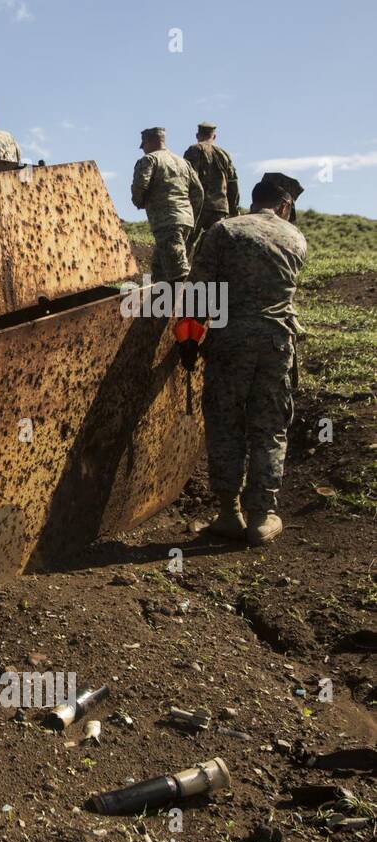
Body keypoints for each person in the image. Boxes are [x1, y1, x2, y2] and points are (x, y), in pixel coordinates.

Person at [189, 173, 307, 545]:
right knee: (269, 427)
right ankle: (262, 517)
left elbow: (199, 294)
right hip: (276, 344)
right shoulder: (295, 237)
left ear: (254, 200)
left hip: (229, 341)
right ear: (285, 205)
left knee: (225, 422)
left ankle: (229, 513)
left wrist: (189, 342)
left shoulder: (224, 231)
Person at [132, 127, 204, 282]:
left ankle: (194, 303)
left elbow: (141, 185)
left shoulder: (149, 160)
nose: (143, 149)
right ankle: (162, 304)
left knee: (179, 272)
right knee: (160, 271)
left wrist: (138, 201)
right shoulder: (183, 162)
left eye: (143, 145)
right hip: (184, 220)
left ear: (150, 142)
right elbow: (198, 192)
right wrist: (190, 216)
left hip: (166, 222)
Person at [184, 122, 240, 253]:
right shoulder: (224, 154)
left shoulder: (193, 150)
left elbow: (186, 179)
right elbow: (233, 184)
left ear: (197, 135)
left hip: (197, 207)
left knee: (186, 243)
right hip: (219, 208)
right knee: (217, 247)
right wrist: (234, 209)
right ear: (214, 136)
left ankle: (182, 271)